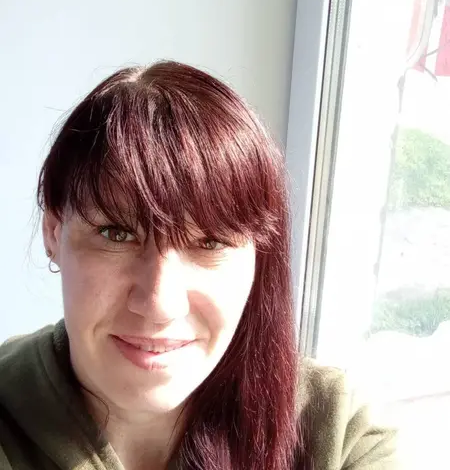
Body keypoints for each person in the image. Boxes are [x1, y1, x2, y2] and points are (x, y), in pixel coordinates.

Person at [0, 61, 399, 470]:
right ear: (53, 232)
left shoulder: (338, 434)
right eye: (116, 234)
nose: (160, 305)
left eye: (210, 242)